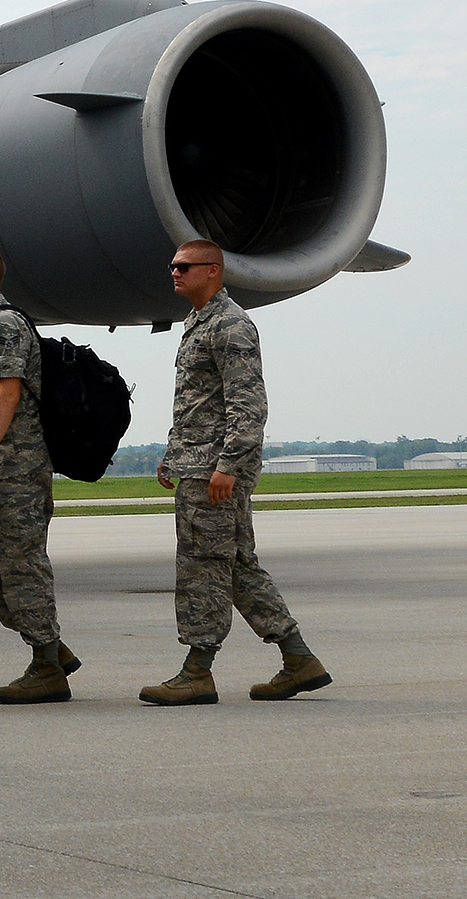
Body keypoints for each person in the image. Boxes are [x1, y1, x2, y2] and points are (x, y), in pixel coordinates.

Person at [140, 240, 331, 706]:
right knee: (238, 566)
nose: (175, 272)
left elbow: (248, 405)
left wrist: (227, 466)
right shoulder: (198, 324)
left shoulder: (230, 325)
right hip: (198, 463)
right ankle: (299, 660)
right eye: (172, 265)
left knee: (203, 566)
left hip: (214, 472)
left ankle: (197, 671)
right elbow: (200, 402)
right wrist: (174, 452)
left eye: (184, 266)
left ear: (213, 271)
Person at [0, 246, 79, 704]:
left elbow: (10, 394)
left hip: (19, 467)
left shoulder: (5, 323)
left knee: (23, 565)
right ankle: (50, 646)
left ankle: (47, 665)